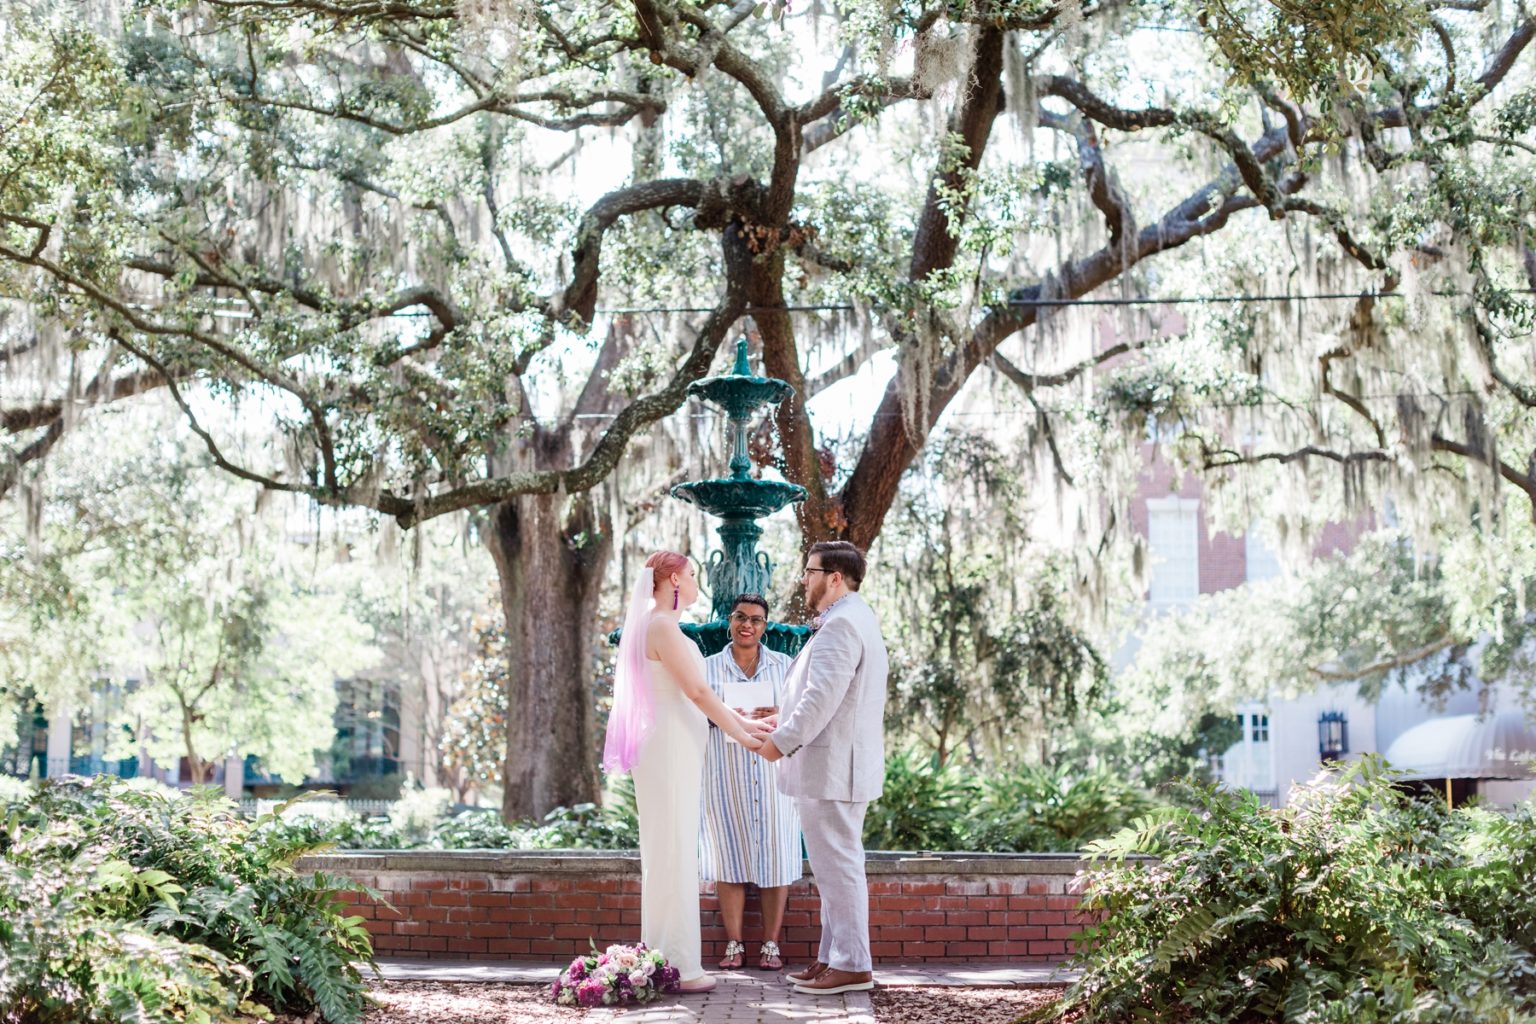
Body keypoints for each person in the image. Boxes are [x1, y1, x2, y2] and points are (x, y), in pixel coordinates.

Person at [602, 551, 772, 993]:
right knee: (675, 849)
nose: (698, 582)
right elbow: (697, 691)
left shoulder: (657, 625)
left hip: (673, 746)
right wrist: (746, 735)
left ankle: (662, 957)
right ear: (674, 580)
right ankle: (678, 965)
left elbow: (699, 695)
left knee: (670, 849)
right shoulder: (661, 626)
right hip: (670, 747)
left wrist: (747, 725)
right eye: (693, 575)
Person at [755, 541, 888, 996]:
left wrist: (781, 742)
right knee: (834, 869)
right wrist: (781, 718)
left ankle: (852, 964)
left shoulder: (843, 624)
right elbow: (834, 696)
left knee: (839, 869)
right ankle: (832, 958)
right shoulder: (854, 618)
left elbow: (822, 698)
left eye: (810, 571)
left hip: (833, 769)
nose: (804, 580)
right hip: (838, 766)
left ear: (834, 578)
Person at [699, 593, 801, 972]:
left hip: (774, 779)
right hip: (725, 776)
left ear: (765, 626)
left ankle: (771, 945)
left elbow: (803, 713)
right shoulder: (707, 668)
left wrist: (778, 713)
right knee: (728, 859)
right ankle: (734, 945)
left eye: (756, 620)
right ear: (730, 620)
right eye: (740, 617)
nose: (747, 625)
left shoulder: (785, 666)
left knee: (776, 859)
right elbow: (691, 712)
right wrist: (725, 717)